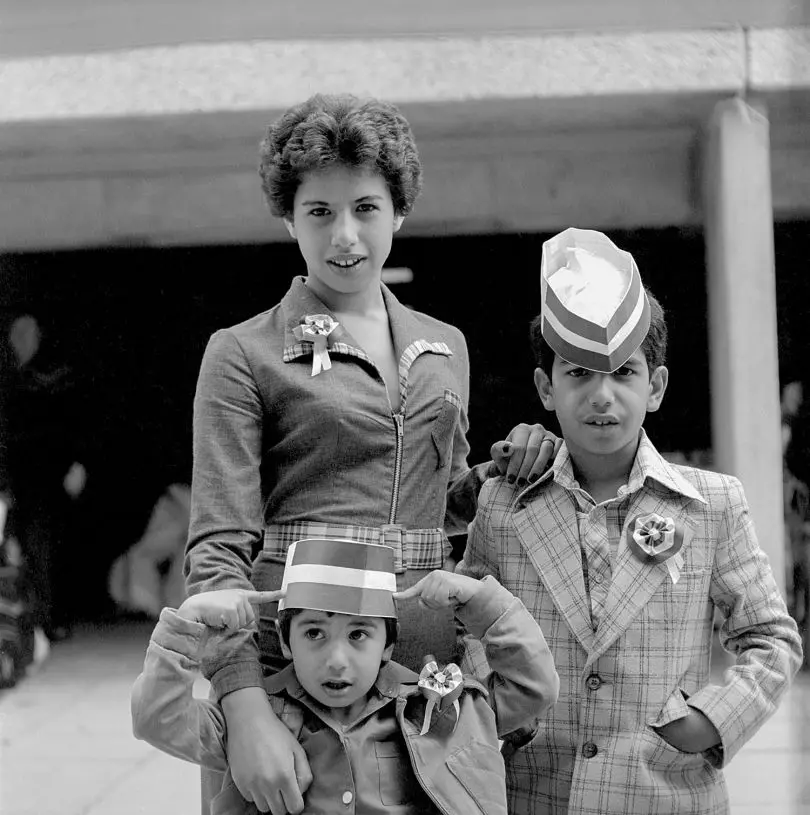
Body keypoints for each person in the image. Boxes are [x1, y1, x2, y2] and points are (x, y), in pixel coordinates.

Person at [184, 93, 558, 815]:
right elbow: (215, 553)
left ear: (400, 211)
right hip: (292, 662)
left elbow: (444, 503)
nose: (345, 235)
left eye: (366, 207)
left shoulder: (446, 345)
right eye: (320, 212)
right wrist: (245, 705)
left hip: (420, 665)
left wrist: (511, 463)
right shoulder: (241, 353)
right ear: (288, 217)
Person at [459, 227, 803, 814]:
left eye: (623, 373)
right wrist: (499, 713)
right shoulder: (504, 506)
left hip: (664, 794)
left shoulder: (711, 503)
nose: (602, 396)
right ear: (546, 387)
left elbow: (771, 639)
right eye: (578, 373)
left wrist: (710, 722)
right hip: (531, 791)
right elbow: (466, 630)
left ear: (657, 387)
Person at [133, 537, 559, 814]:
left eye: (358, 634)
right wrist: (185, 626)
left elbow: (533, 687)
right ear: (285, 642)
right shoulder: (259, 723)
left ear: (388, 646)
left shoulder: (434, 712)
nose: (336, 659)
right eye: (314, 632)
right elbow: (158, 720)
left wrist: (481, 602)